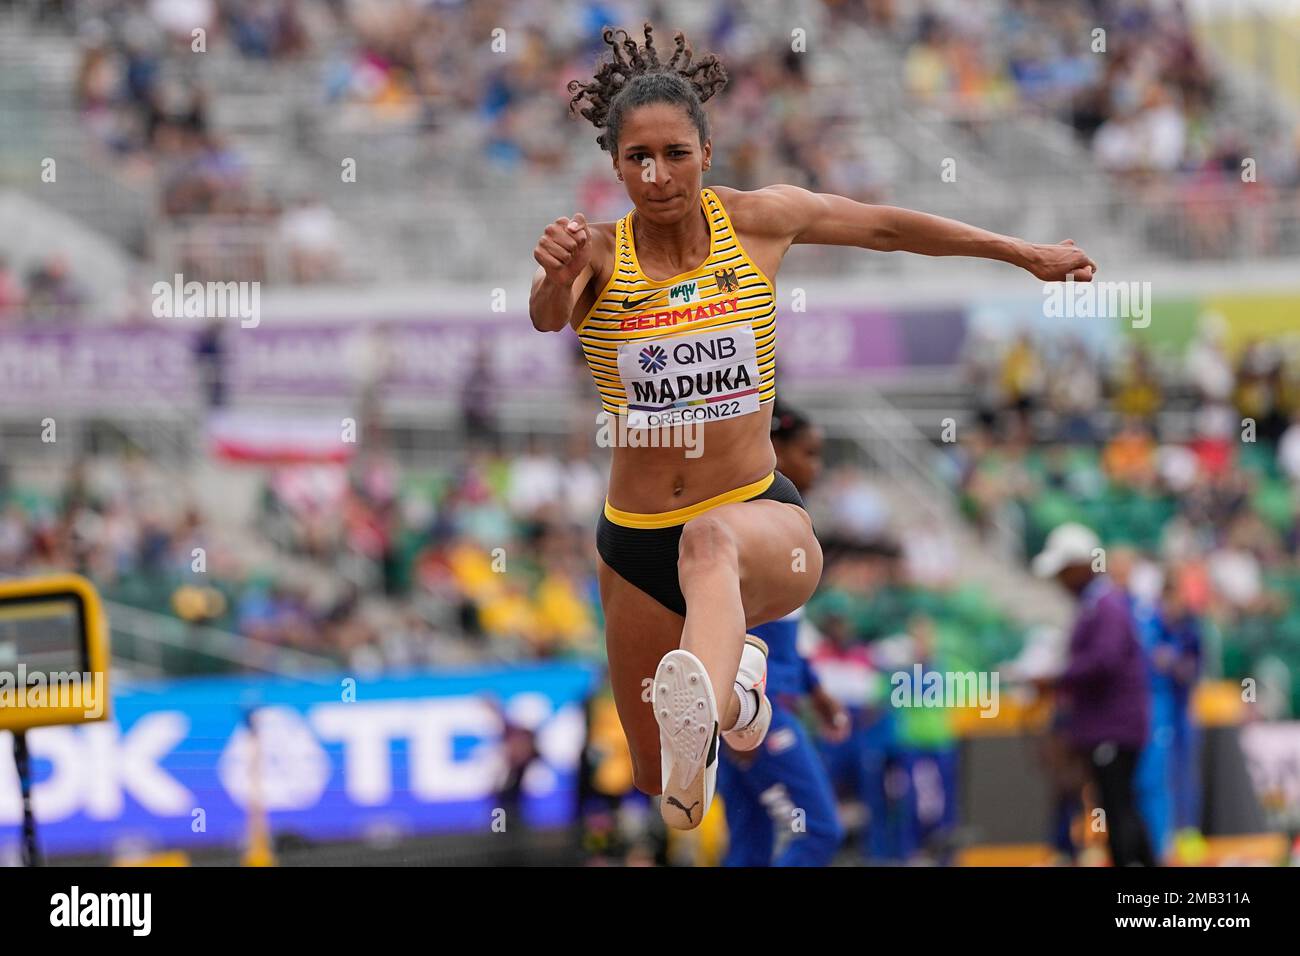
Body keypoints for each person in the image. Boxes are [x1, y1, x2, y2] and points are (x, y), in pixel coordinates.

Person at [530, 22, 1097, 830]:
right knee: (669, 791)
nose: (657, 178)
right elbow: (548, 318)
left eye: (675, 154)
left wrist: (1023, 253)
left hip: (760, 517)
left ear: (709, 149)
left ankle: (730, 686)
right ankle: (745, 701)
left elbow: (889, 228)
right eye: (637, 159)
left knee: (711, 544)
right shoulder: (591, 250)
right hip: (633, 536)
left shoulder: (761, 221)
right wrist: (552, 277)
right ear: (615, 163)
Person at [716, 402, 849, 866]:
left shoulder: (779, 524)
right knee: (820, 832)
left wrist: (817, 692)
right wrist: (737, 724)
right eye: (810, 453)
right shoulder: (747, 526)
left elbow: (779, 634)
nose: (817, 466)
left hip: (753, 710)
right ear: (773, 450)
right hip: (757, 713)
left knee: (750, 845)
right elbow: (722, 628)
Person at [1032, 523, 1155, 866]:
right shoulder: (1097, 606)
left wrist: (1056, 678)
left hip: (1113, 728)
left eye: (1063, 571)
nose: (1060, 581)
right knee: (1118, 803)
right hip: (1108, 727)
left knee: (1117, 807)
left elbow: (1104, 661)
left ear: (1080, 567)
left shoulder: (1105, 607)